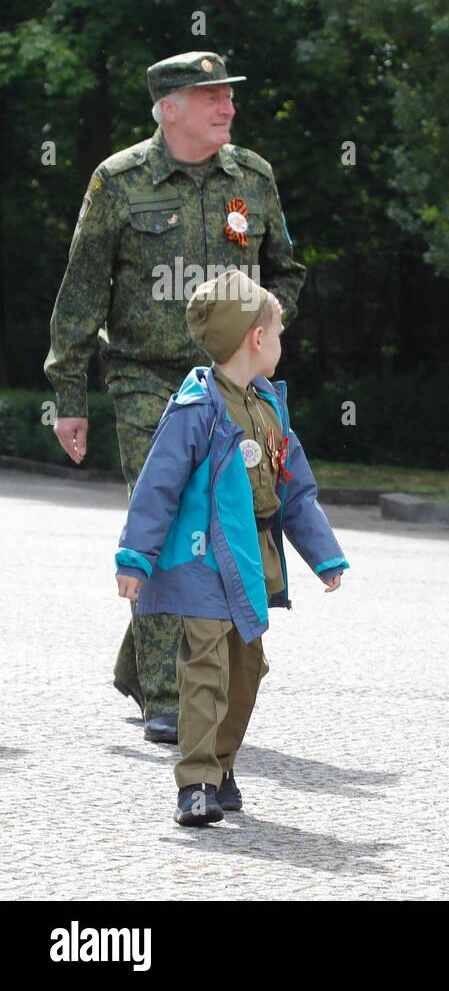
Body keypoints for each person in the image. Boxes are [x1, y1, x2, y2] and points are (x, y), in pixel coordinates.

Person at [45, 51, 306, 744]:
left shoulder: (252, 177)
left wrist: (262, 334)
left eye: (228, 95)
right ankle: (170, 693)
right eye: (209, 95)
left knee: (227, 520)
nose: (227, 106)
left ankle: (146, 662)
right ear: (169, 107)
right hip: (146, 378)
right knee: (161, 514)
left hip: (230, 384)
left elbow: (285, 268)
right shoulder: (119, 180)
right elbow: (81, 290)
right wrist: (68, 393)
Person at [114, 270, 348, 826]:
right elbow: (157, 486)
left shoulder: (269, 407)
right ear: (255, 339)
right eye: (280, 332)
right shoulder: (197, 409)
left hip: (250, 564)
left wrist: (324, 555)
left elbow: (296, 490)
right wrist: (136, 557)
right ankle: (194, 781)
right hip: (201, 562)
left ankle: (221, 762)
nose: (283, 344)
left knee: (246, 673)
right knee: (203, 670)